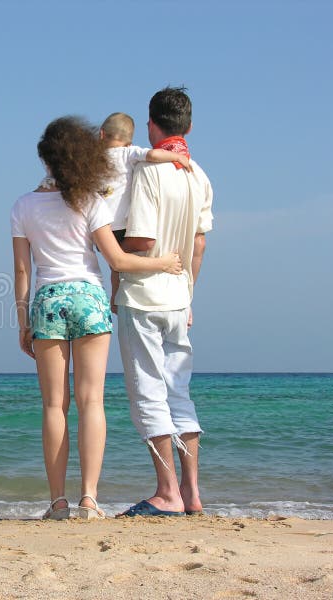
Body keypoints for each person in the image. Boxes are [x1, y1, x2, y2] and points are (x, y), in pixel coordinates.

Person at [11, 116, 183, 520]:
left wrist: (23, 321)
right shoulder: (91, 200)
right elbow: (118, 259)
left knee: (55, 405)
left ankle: (57, 503)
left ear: (46, 159)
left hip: (48, 301)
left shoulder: (23, 206)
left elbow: (22, 272)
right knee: (92, 402)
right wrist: (165, 263)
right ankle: (89, 499)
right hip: (88, 298)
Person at [114, 87, 214, 518]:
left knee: (148, 393)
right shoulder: (199, 174)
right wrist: (189, 292)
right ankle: (192, 494)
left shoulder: (148, 173)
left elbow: (142, 239)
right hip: (178, 298)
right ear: (188, 126)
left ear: (151, 124)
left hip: (144, 293)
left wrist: (110, 246)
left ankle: (167, 492)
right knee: (180, 394)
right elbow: (199, 244)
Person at [97, 112, 191, 312]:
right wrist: (177, 156)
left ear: (101, 134)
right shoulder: (128, 153)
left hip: (100, 226)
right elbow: (153, 155)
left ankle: (114, 295)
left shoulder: (93, 159)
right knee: (121, 263)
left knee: (115, 265)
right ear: (129, 142)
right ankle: (159, 266)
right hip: (122, 224)